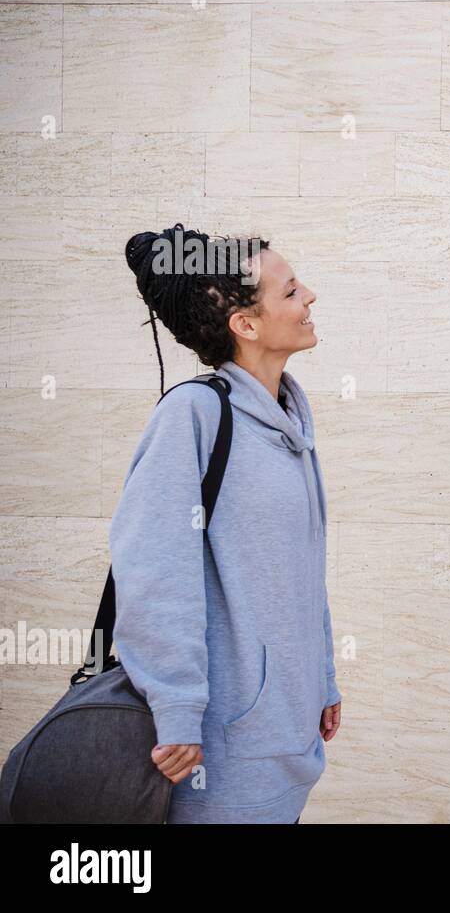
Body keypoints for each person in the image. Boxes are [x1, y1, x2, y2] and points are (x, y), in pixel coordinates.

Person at [110, 224, 342, 823]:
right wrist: (178, 711)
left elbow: (299, 569)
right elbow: (156, 573)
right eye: (289, 291)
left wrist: (321, 676)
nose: (309, 296)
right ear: (246, 323)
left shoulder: (288, 419)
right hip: (217, 753)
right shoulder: (194, 416)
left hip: (286, 736)